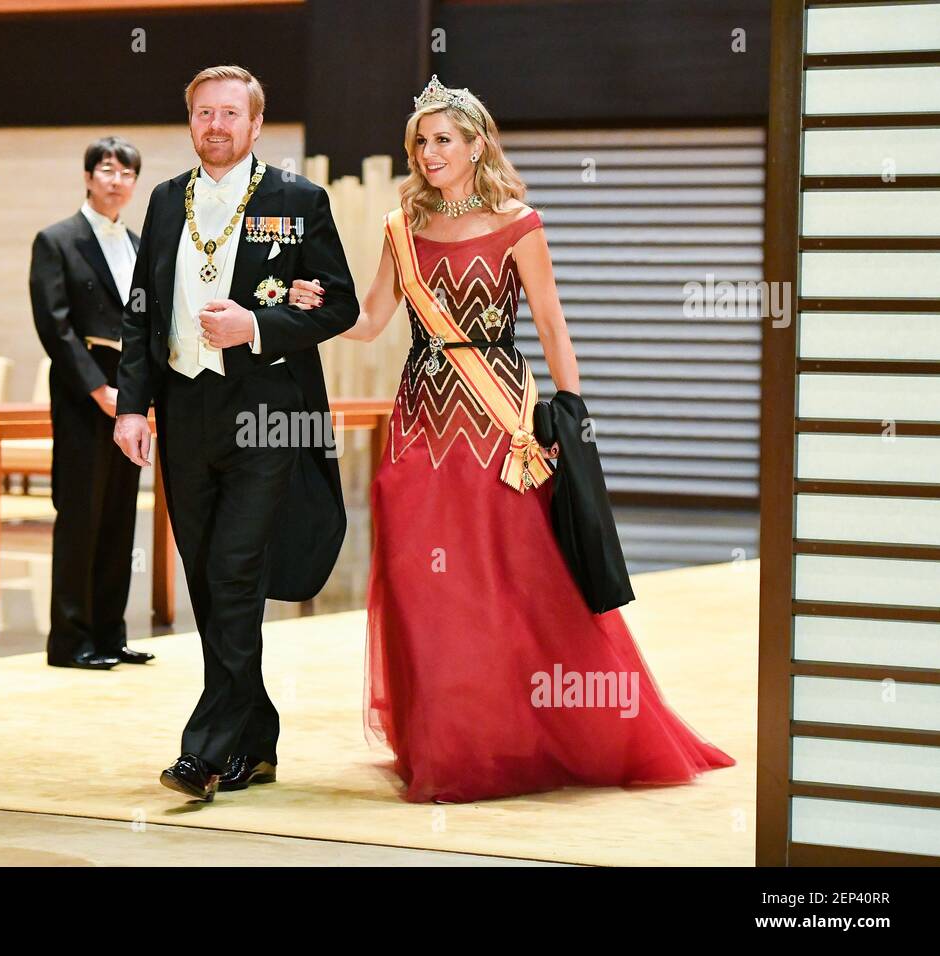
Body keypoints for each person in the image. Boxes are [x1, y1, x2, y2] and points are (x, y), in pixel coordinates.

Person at [290, 76, 735, 803]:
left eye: (443, 140)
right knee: (419, 583)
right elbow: (371, 321)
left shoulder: (519, 223)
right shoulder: (402, 227)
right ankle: (445, 741)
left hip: (501, 427)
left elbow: (553, 323)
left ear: (475, 145)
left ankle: (521, 736)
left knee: (510, 584)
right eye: (421, 142)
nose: (429, 153)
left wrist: (574, 415)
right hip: (419, 425)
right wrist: (315, 307)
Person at [113, 65, 359, 802]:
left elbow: (338, 304)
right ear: (190, 123)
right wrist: (132, 405)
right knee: (208, 583)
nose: (215, 126)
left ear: (255, 125)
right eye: (203, 114)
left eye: (230, 114)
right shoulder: (163, 202)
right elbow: (140, 312)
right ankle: (258, 735)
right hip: (186, 413)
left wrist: (258, 324)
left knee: (235, 574)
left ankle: (205, 752)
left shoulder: (297, 200)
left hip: (267, 412)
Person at [29, 136, 156, 670]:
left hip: (130, 385)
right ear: (87, 177)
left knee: (120, 516)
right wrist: (97, 388)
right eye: (107, 170)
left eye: (127, 173)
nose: (116, 180)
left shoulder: (135, 242)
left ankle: (109, 633)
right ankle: (70, 639)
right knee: (80, 512)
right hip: (86, 388)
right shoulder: (57, 239)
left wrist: (143, 393)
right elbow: (54, 326)